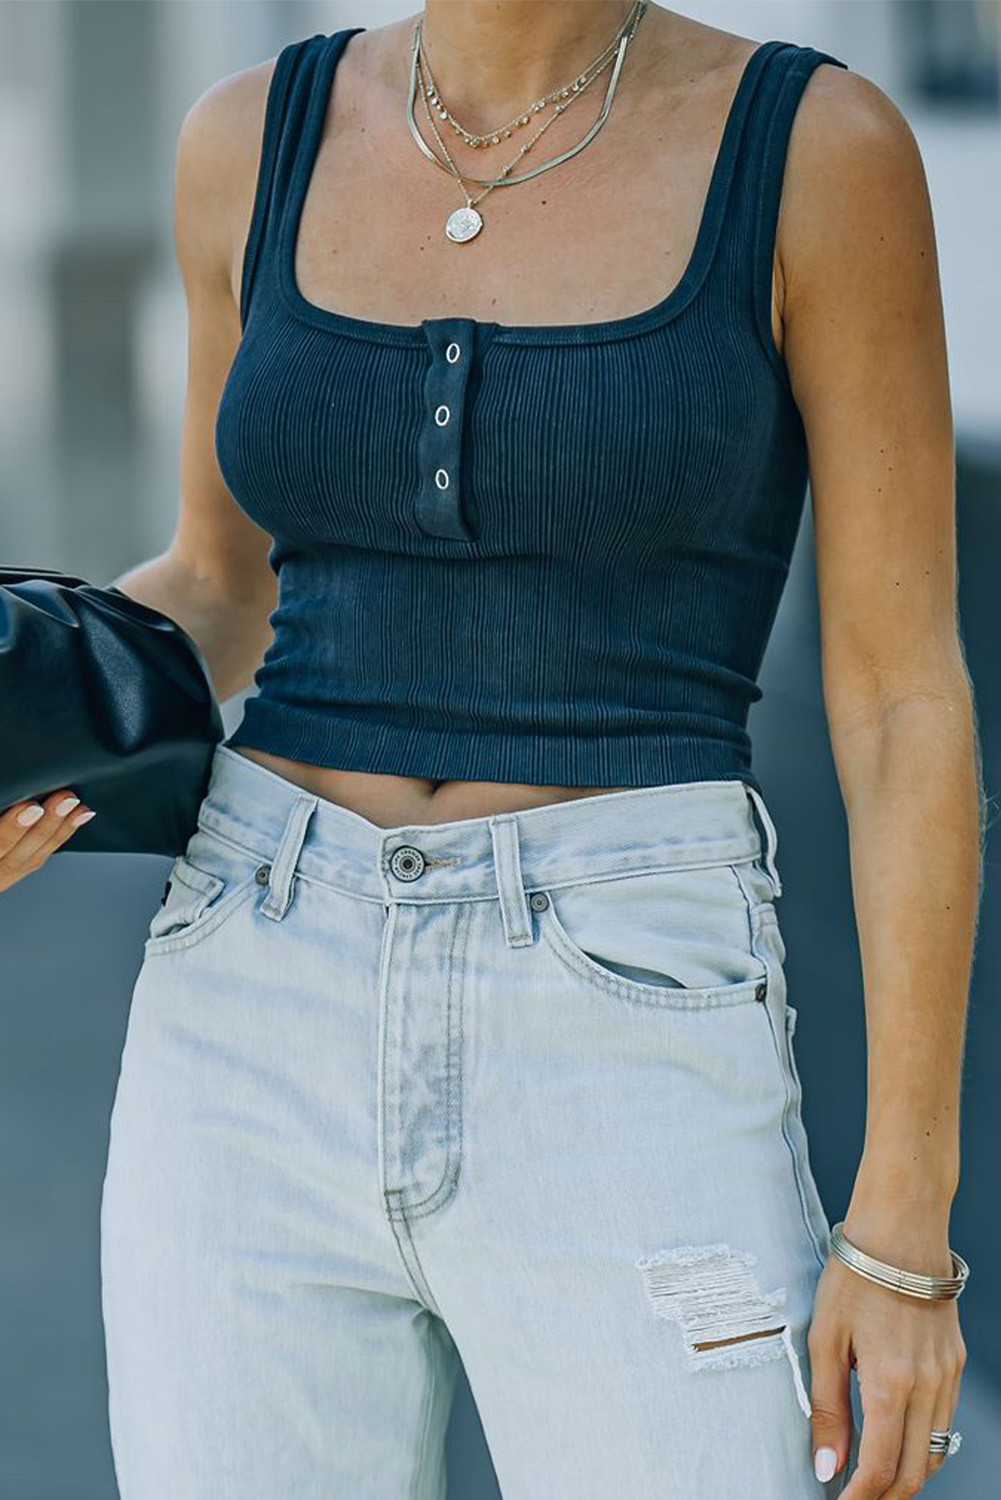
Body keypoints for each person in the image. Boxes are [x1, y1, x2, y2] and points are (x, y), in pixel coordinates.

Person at [1, 4, 979, 1497]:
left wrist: (905, 1217)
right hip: (248, 990)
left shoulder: (813, 154)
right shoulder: (248, 137)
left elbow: (901, 699)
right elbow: (215, 585)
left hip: (630, 1002)